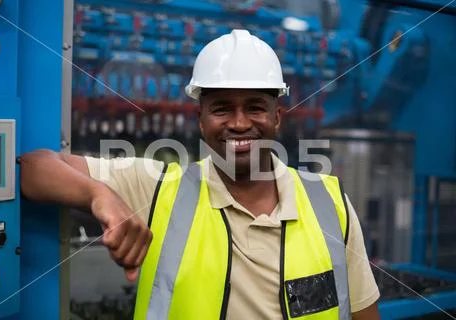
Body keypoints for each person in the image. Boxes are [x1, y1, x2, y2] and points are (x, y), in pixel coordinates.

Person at [21, 29, 380, 319]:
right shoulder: (159, 188)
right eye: (221, 108)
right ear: (201, 121)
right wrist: (100, 196)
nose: (239, 123)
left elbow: (363, 312)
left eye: (255, 107)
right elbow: (36, 167)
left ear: (276, 117)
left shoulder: (330, 203)